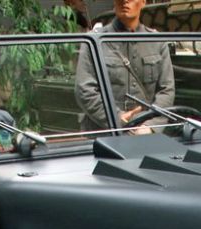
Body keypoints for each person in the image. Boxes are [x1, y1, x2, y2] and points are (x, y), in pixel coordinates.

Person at [74, 0, 176, 134]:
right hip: (104, 132)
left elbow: (166, 90)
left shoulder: (156, 41)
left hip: (145, 134)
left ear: (143, 2)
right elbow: (84, 90)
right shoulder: (94, 41)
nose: (124, 1)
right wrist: (116, 117)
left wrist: (151, 125)